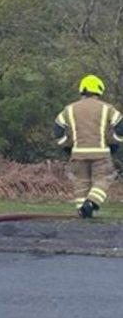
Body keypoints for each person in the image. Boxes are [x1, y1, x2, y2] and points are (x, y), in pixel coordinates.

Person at [54, 75, 123, 218]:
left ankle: (82, 212)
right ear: (99, 89)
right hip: (101, 153)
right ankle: (91, 203)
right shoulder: (107, 108)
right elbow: (120, 126)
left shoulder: (69, 109)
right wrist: (116, 142)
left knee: (81, 182)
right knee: (105, 178)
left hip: (78, 153)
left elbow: (58, 128)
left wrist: (66, 146)